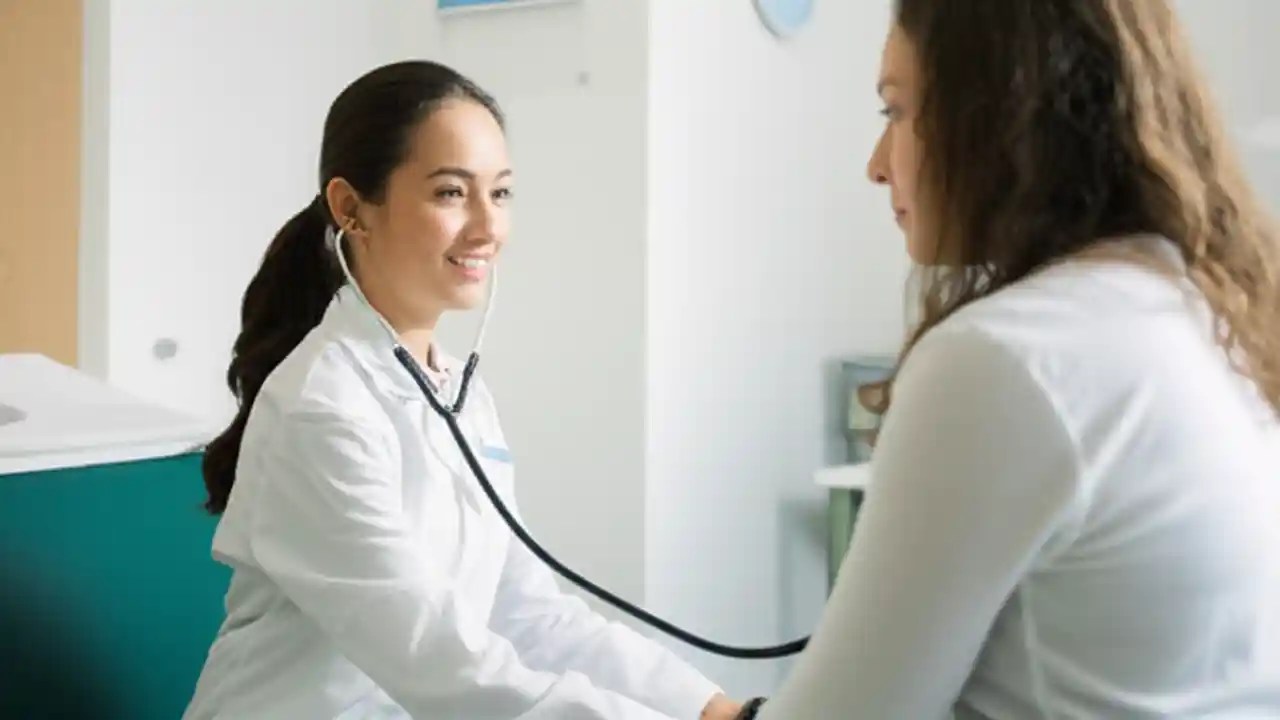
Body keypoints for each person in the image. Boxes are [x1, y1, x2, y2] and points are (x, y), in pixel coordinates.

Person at [750, 1, 1280, 718]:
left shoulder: (1006, 358)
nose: (877, 168)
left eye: (895, 112)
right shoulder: (1202, 313)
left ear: (1003, 113)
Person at [184, 60, 741, 720]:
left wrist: (716, 710)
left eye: (500, 193)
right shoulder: (320, 407)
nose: (487, 226)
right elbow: (443, 664)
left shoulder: (457, 394)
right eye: (451, 193)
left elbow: (530, 614)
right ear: (350, 208)